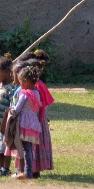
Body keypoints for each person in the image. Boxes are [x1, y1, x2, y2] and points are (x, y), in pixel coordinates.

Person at [9, 65, 43, 179]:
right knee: (29, 149)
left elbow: (17, 109)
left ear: (25, 82)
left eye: (20, 82)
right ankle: (28, 172)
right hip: (32, 124)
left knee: (24, 149)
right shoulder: (36, 93)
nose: (19, 84)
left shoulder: (24, 94)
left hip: (23, 123)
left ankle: (25, 172)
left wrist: (10, 112)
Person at [33, 49, 55, 177]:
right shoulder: (38, 84)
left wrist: (40, 120)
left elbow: (41, 106)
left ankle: (35, 169)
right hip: (38, 119)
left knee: (36, 144)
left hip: (37, 120)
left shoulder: (37, 86)